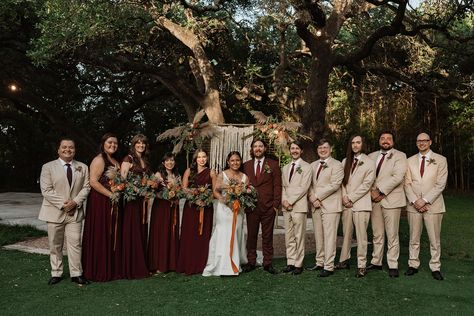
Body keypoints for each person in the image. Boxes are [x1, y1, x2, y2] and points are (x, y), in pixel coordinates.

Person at [39, 138, 91, 285]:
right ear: (58, 150)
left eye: (71, 147)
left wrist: (75, 202)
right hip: (54, 213)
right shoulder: (47, 167)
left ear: (75, 150)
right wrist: (64, 205)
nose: (68, 149)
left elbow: (86, 187)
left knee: (75, 243)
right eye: (64, 147)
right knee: (55, 245)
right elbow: (46, 190)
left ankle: (76, 273)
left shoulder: (83, 167)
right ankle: (56, 273)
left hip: (75, 213)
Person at [404, 132, 448, 281]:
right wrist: (415, 201)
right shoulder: (409, 161)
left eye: (425, 140)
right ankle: (413, 264)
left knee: (434, 239)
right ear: (416, 143)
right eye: (419, 141)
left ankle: (435, 266)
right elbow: (407, 184)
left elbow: (440, 184)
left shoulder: (441, 160)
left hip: (433, 206)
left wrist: (425, 200)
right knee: (413, 237)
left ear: (430, 142)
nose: (422, 143)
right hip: (413, 206)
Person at [82, 133, 122, 282]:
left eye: (115, 143)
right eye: (110, 142)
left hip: (113, 201)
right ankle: (98, 269)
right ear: (103, 143)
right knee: (101, 233)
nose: (113, 145)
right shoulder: (99, 159)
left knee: (111, 233)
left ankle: (110, 268)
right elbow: (93, 182)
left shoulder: (115, 161)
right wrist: (110, 195)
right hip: (100, 202)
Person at [368, 131, 407, 278]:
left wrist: (380, 192)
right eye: (382, 138)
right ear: (379, 141)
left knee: (392, 234)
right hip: (374, 200)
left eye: (389, 139)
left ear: (393, 142)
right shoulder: (371, 156)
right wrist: (372, 193)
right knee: (377, 233)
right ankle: (376, 261)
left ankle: (392, 264)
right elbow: (367, 176)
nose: (385, 141)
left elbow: (397, 177)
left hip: (391, 199)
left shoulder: (400, 156)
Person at [203, 151, 248, 276]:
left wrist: (241, 200)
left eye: (237, 160)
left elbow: (246, 194)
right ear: (228, 162)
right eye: (232, 160)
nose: (235, 162)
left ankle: (234, 262)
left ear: (241, 161)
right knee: (223, 234)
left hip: (237, 210)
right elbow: (216, 191)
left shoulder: (244, 177)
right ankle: (221, 264)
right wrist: (224, 200)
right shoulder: (222, 175)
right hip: (224, 209)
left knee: (236, 233)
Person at [336, 135, 375, 278]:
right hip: (347, 204)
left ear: (363, 144)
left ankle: (361, 265)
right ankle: (344, 260)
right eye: (353, 143)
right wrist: (345, 197)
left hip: (361, 204)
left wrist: (351, 197)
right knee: (346, 234)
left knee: (361, 236)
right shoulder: (345, 161)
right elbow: (342, 182)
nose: (355, 145)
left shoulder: (369, 162)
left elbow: (367, 184)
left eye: (358, 142)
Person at [242, 139, 282, 274]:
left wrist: (275, 205)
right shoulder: (246, 165)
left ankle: (267, 263)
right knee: (251, 236)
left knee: (267, 236)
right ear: (252, 149)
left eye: (260, 146)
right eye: (255, 146)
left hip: (268, 207)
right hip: (251, 207)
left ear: (265, 148)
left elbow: (277, 185)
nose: (258, 148)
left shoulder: (273, 164)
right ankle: (251, 261)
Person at [307, 139, 344, 277]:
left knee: (330, 237)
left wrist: (317, 196)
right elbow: (308, 184)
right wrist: (312, 198)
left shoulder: (337, 165)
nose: (322, 150)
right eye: (320, 148)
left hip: (331, 206)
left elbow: (335, 185)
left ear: (330, 149)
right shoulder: (312, 165)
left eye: (325, 147)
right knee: (319, 236)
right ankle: (319, 262)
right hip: (316, 206)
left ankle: (329, 266)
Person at [177, 149, 216, 275]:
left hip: (206, 208)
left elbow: (214, 192)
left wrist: (206, 200)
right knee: (189, 236)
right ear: (195, 159)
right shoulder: (189, 171)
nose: (202, 159)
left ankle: (201, 264)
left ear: (207, 158)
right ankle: (187, 264)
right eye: (199, 157)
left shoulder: (212, 172)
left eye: (204, 156)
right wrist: (195, 198)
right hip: (191, 209)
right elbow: (184, 189)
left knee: (203, 236)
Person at [120, 134, 151, 279]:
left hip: (142, 201)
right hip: (132, 201)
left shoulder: (144, 160)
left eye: (143, 143)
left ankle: (141, 264)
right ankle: (131, 267)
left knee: (141, 229)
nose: (141, 145)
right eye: (138, 143)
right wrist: (137, 190)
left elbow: (148, 179)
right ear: (133, 145)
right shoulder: (128, 159)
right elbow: (122, 180)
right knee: (132, 231)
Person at [281, 140, 312, 275]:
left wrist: (291, 201)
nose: (294, 150)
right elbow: (283, 186)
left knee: (299, 236)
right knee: (289, 236)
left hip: (298, 206)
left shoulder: (307, 167)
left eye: (297, 148)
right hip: (286, 206)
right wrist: (284, 201)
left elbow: (304, 187)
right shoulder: (285, 167)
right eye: (292, 148)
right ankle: (291, 262)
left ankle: (299, 263)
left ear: (301, 151)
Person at [148, 152, 181, 273]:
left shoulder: (177, 175)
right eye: (167, 160)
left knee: (171, 232)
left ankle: (171, 263)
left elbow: (180, 190)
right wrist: (165, 195)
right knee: (161, 233)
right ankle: (159, 264)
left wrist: (176, 195)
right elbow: (153, 191)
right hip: (161, 207)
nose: (170, 162)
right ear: (163, 163)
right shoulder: (158, 175)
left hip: (173, 207)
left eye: (172, 160)